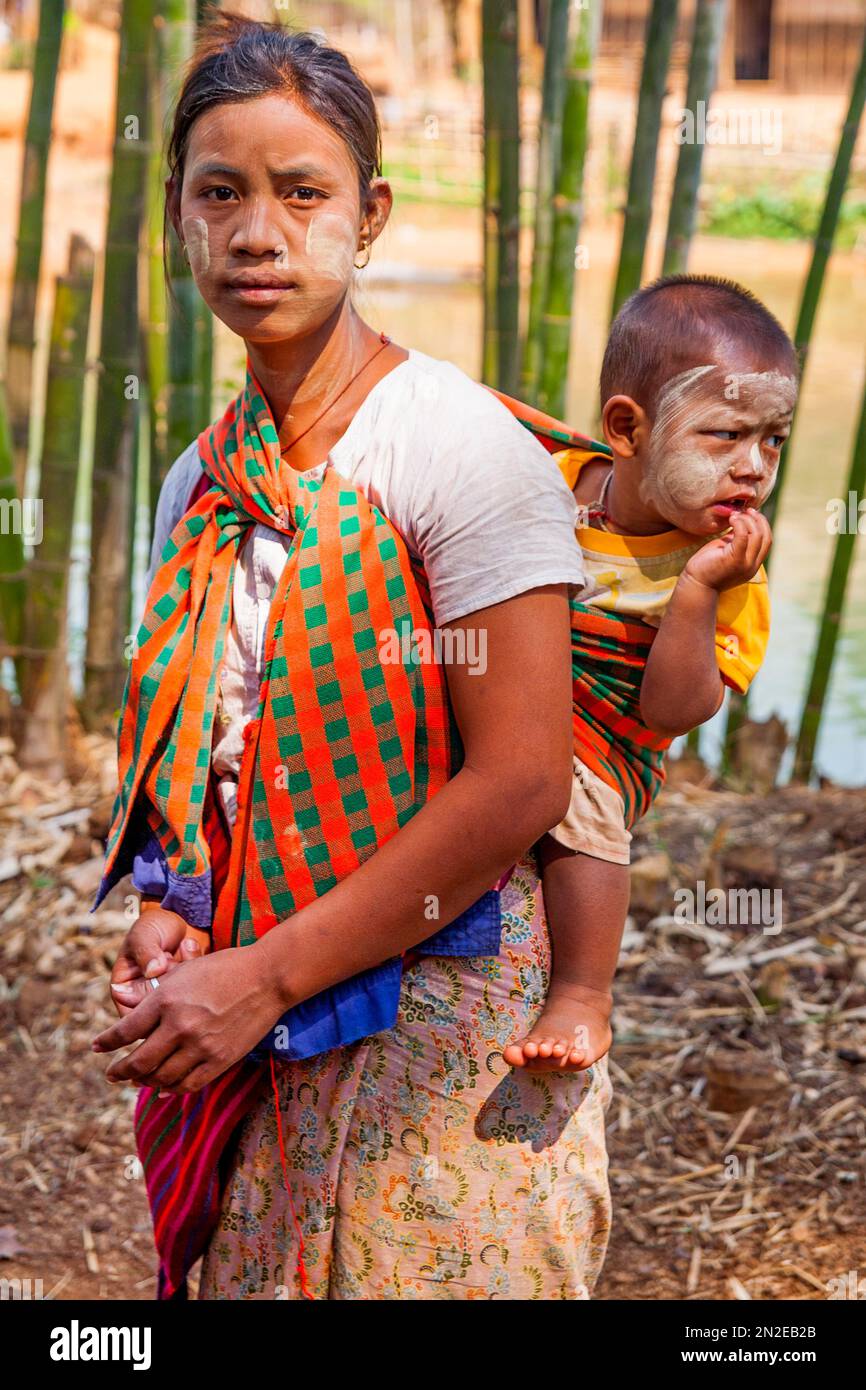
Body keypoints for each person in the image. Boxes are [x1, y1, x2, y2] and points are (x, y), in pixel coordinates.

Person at [91, 12, 612, 1300]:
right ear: (177, 215)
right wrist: (183, 908)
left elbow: (517, 786)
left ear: (368, 214)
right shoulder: (195, 484)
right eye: (221, 192)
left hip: (445, 1029)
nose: (258, 233)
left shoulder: (453, 451)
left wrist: (260, 977)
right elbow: (226, 741)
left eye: (301, 192)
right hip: (257, 1006)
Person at [503, 275, 799, 1073]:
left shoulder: (728, 574)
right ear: (627, 430)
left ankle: (582, 996)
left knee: (586, 813)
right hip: (493, 700)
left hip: (601, 749)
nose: (754, 467)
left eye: (773, 440)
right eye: (724, 436)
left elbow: (672, 712)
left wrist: (698, 592)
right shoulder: (550, 477)